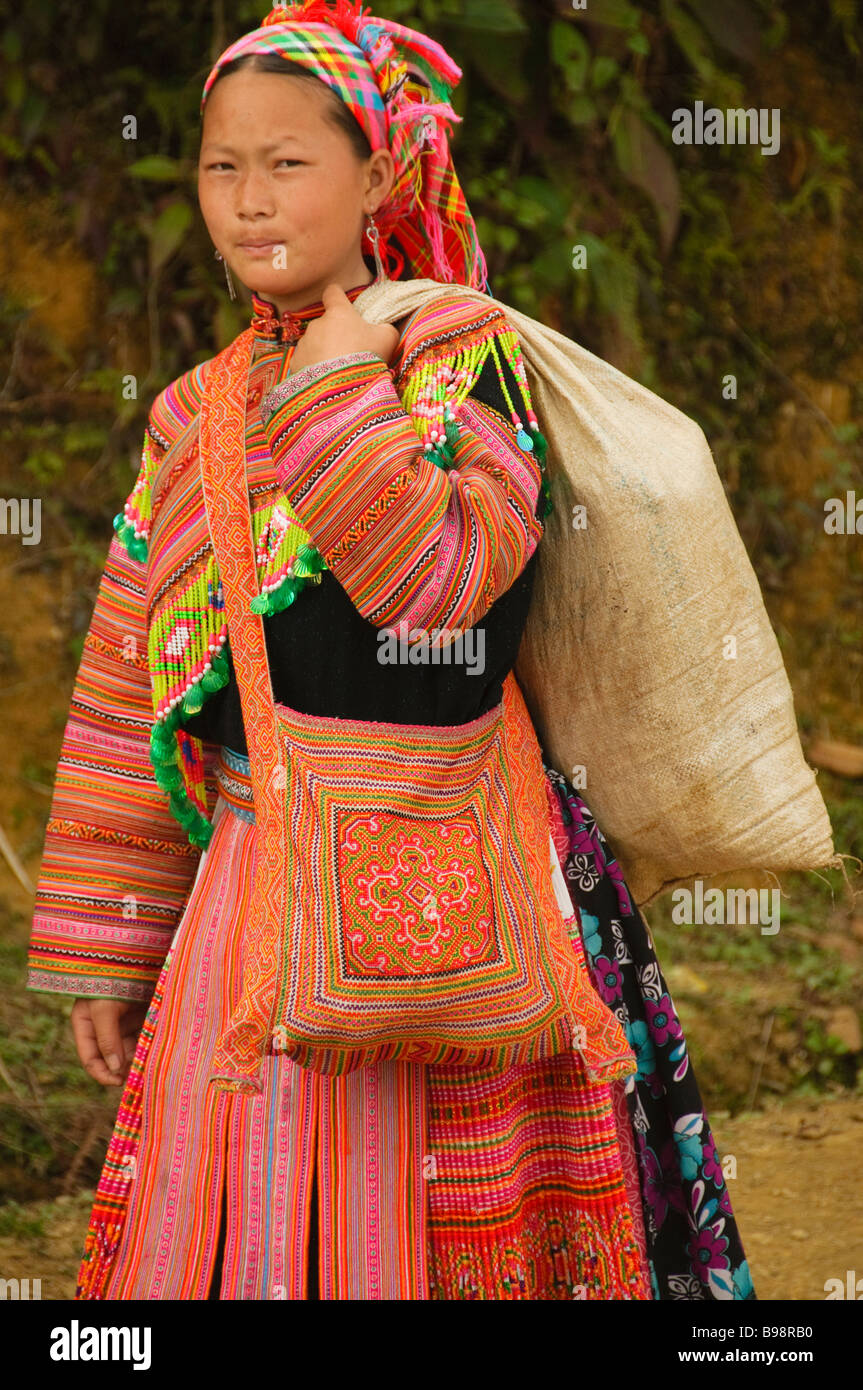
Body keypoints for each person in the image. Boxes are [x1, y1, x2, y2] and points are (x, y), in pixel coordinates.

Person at [26, 0, 754, 1301]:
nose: (248, 200)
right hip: (255, 893)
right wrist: (114, 934)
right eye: (221, 164)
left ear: (379, 172)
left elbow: (442, 593)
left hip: (467, 864)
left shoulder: (465, 362)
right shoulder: (196, 413)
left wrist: (335, 381)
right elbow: (133, 674)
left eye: (289, 162)